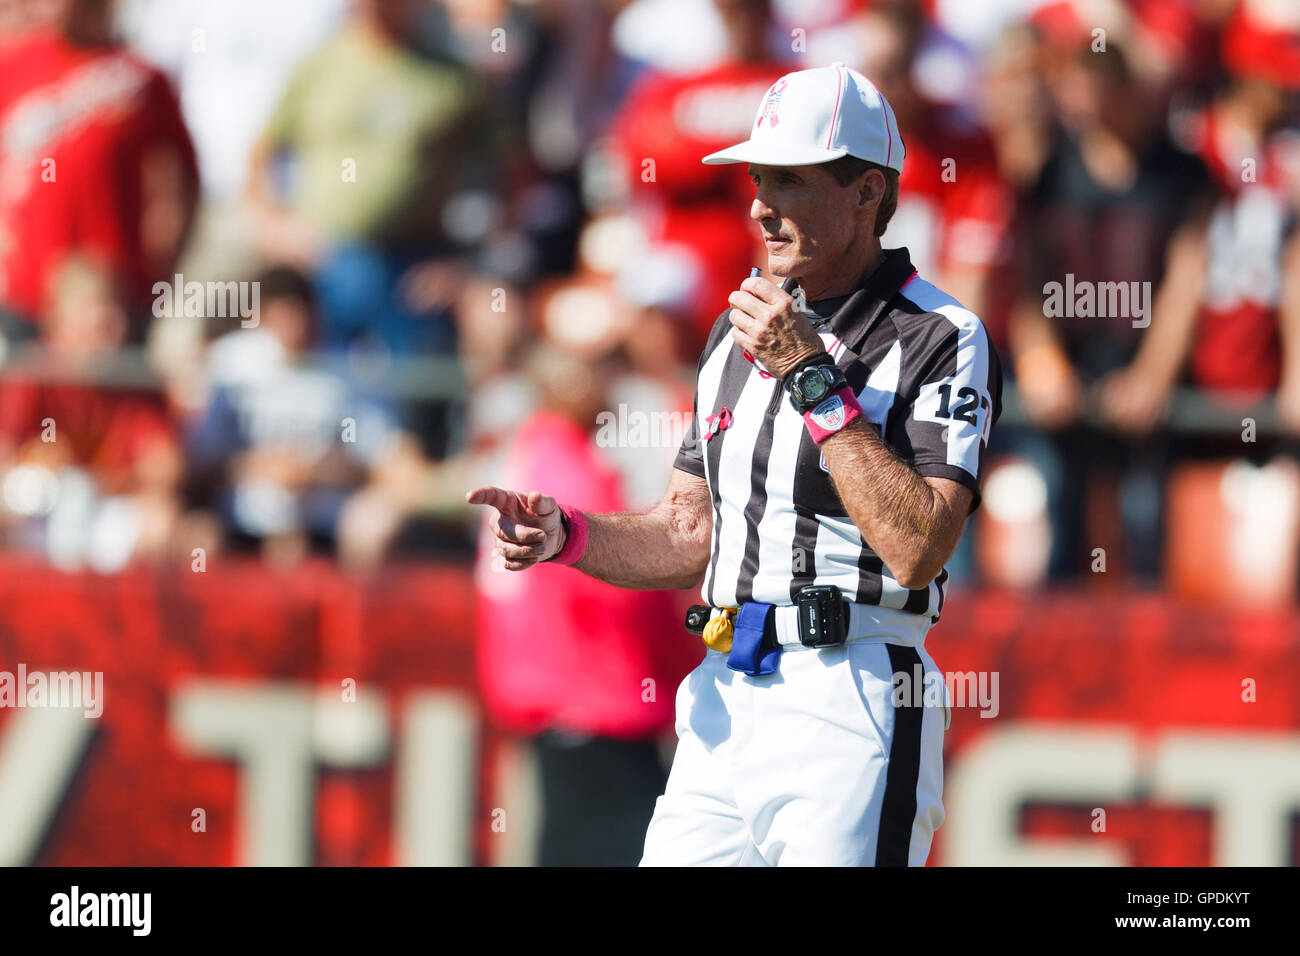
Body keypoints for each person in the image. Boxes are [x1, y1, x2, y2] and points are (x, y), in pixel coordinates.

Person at [469, 64, 1002, 866]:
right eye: (759, 178)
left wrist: (811, 378)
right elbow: (688, 535)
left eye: (789, 180)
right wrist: (570, 534)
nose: (760, 205)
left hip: (853, 686)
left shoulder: (940, 334)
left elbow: (919, 544)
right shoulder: (734, 331)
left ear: (866, 192)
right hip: (723, 690)